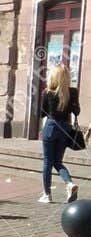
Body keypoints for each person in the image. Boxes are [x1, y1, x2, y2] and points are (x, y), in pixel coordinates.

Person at [39, 61, 81, 204]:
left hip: (51, 127)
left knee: (47, 162)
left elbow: (41, 113)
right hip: (66, 129)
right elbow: (77, 112)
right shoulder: (73, 92)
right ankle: (69, 184)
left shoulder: (47, 92)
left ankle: (47, 195)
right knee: (58, 161)